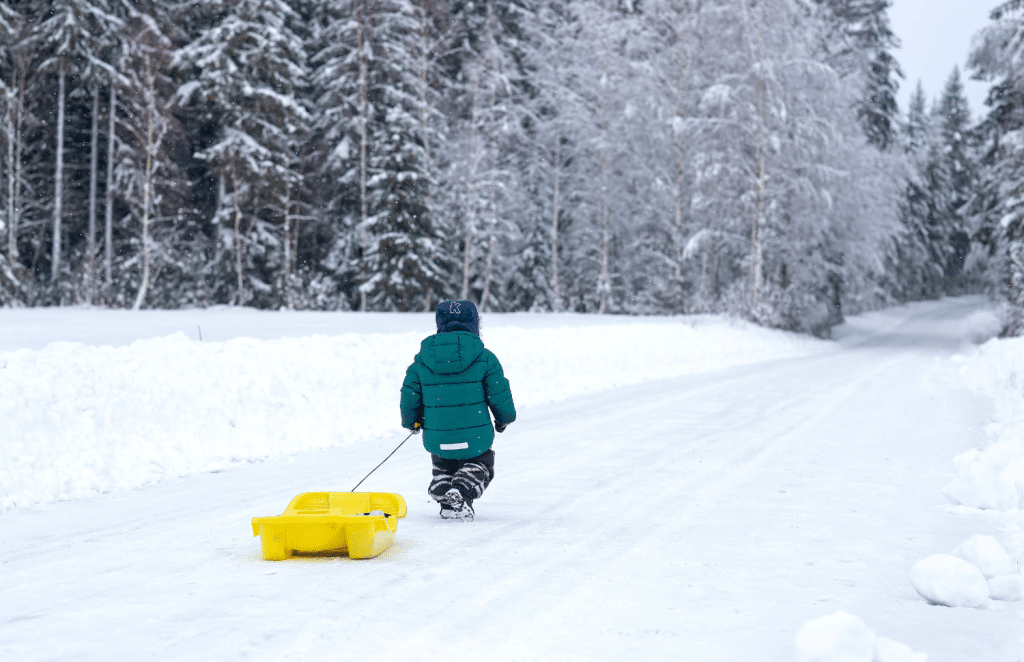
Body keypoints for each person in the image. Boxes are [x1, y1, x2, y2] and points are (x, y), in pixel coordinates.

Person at [400, 300, 516, 521]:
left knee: (444, 463)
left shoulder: (422, 360)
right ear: (475, 325)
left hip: (437, 438)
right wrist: (504, 419)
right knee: (481, 466)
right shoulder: (485, 358)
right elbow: (498, 392)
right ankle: (461, 489)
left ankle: (444, 490)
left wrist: (411, 422)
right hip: (475, 438)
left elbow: (410, 395)